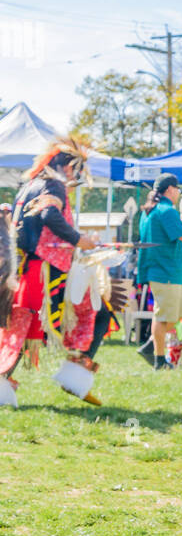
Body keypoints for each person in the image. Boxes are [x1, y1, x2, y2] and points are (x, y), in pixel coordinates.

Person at [0, 138, 98, 408]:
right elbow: (49, 216)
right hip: (44, 272)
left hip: (26, 269)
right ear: (66, 167)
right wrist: (78, 239)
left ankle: (8, 380)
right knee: (89, 309)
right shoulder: (53, 185)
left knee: (17, 327)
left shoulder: (29, 185)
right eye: (75, 169)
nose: (75, 176)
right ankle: (75, 371)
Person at [144, 173, 182, 372]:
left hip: (164, 269)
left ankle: (152, 346)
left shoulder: (153, 210)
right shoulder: (166, 210)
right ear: (171, 189)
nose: (178, 194)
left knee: (172, 315)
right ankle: (158, 357)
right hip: (166, 271)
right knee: (165, 317)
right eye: (178, 190)